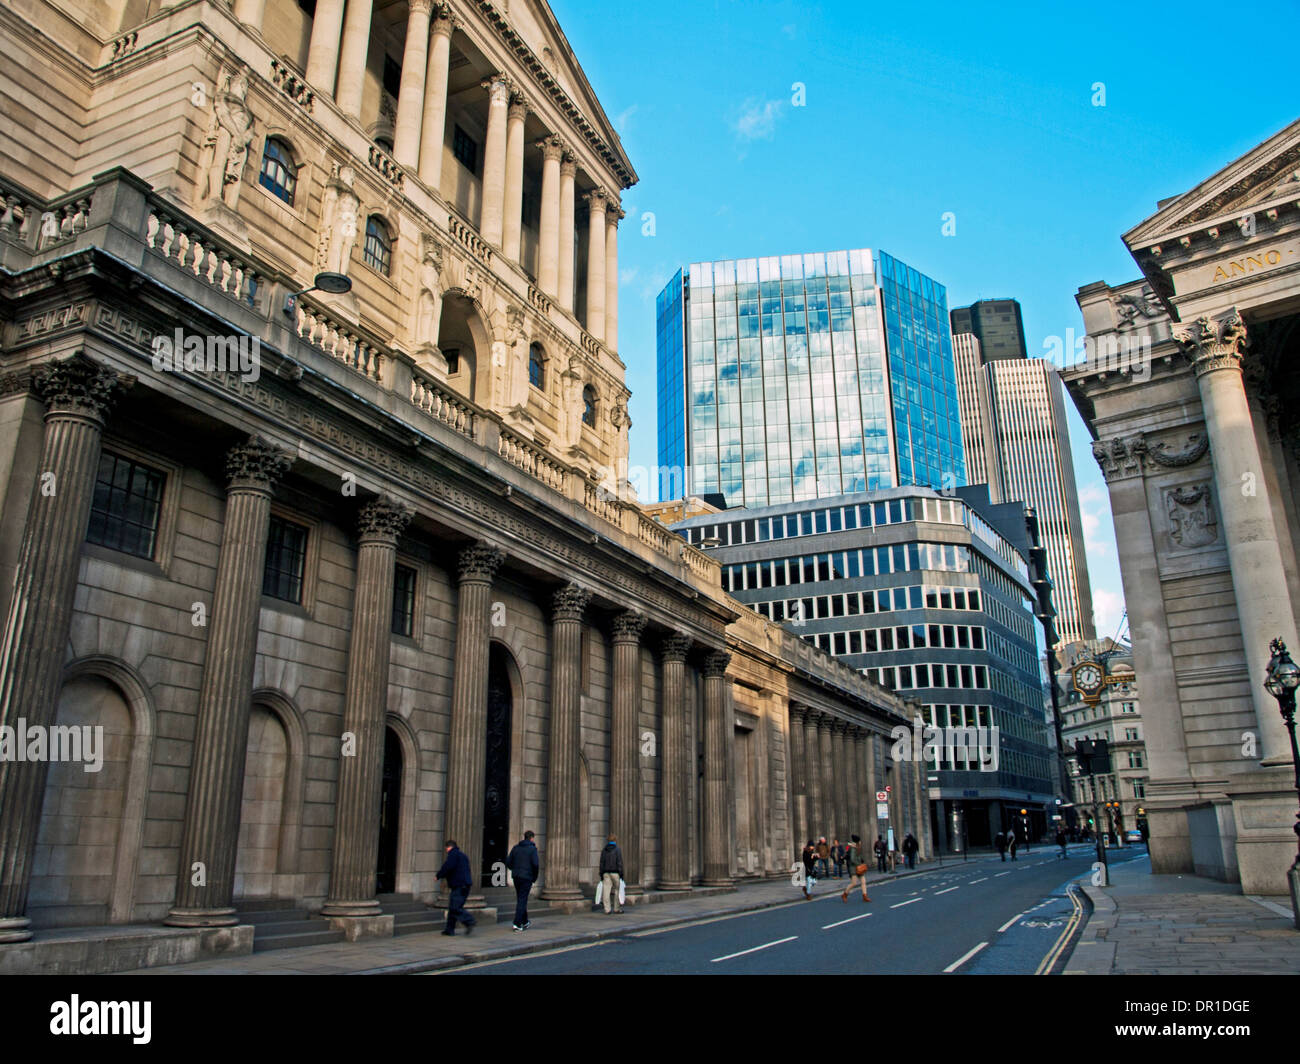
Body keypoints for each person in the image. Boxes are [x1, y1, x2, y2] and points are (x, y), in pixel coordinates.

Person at [436, 839, 475, 936]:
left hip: (459, 885)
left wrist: (438, 875)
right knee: (454, 907)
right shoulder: (463, 855)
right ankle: (449, 929)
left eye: (446, 849)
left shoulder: (453, 854)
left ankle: (469, 920)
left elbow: (448, 866)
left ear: (448, 847)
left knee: (454, 907)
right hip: (465, 884)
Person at [505, 829, 539, 931]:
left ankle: (525, 921)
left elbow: (508, 862)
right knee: (522, 900)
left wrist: (514, 870)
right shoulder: (532, 849)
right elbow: (536, 864)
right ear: (532, 838)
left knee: (521, 898)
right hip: (527, 877)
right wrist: (534, 877)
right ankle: (517, 923)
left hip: (516, 877)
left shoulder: (516, 848)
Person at [840, 834, 872, 903]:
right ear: (857, 841)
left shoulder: (857, 847)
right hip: (854, 868)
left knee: (863, 881)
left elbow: (859, 856)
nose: (861, 842)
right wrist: (859, 864)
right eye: (860, 841)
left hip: (859, 867)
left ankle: (864, 896)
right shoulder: (853, 848)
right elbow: (852, 859)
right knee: (854, 883)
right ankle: (845, 894)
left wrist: (862, 861)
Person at [599, 833, 624, 914]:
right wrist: (621, 873)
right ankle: (616, 908)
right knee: (617, 890)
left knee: (606, 891)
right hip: (615, 872)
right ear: (615, 840)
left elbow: (601, 862)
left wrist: (601, 873)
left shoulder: (604, 850)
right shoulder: (617, 849)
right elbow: (619, 862)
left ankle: (607, 909)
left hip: (606, 873)